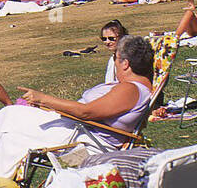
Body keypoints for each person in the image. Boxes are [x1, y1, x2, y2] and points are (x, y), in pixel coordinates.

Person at [16, 34, 155, 150]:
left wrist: (42, 99)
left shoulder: (129, 89)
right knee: (13, 118)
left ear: (125, 64)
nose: (115, 64)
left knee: (12, 127)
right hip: (79, 128)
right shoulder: (132, 87)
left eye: (115, 59)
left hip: (87, 137)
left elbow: (85, 112)